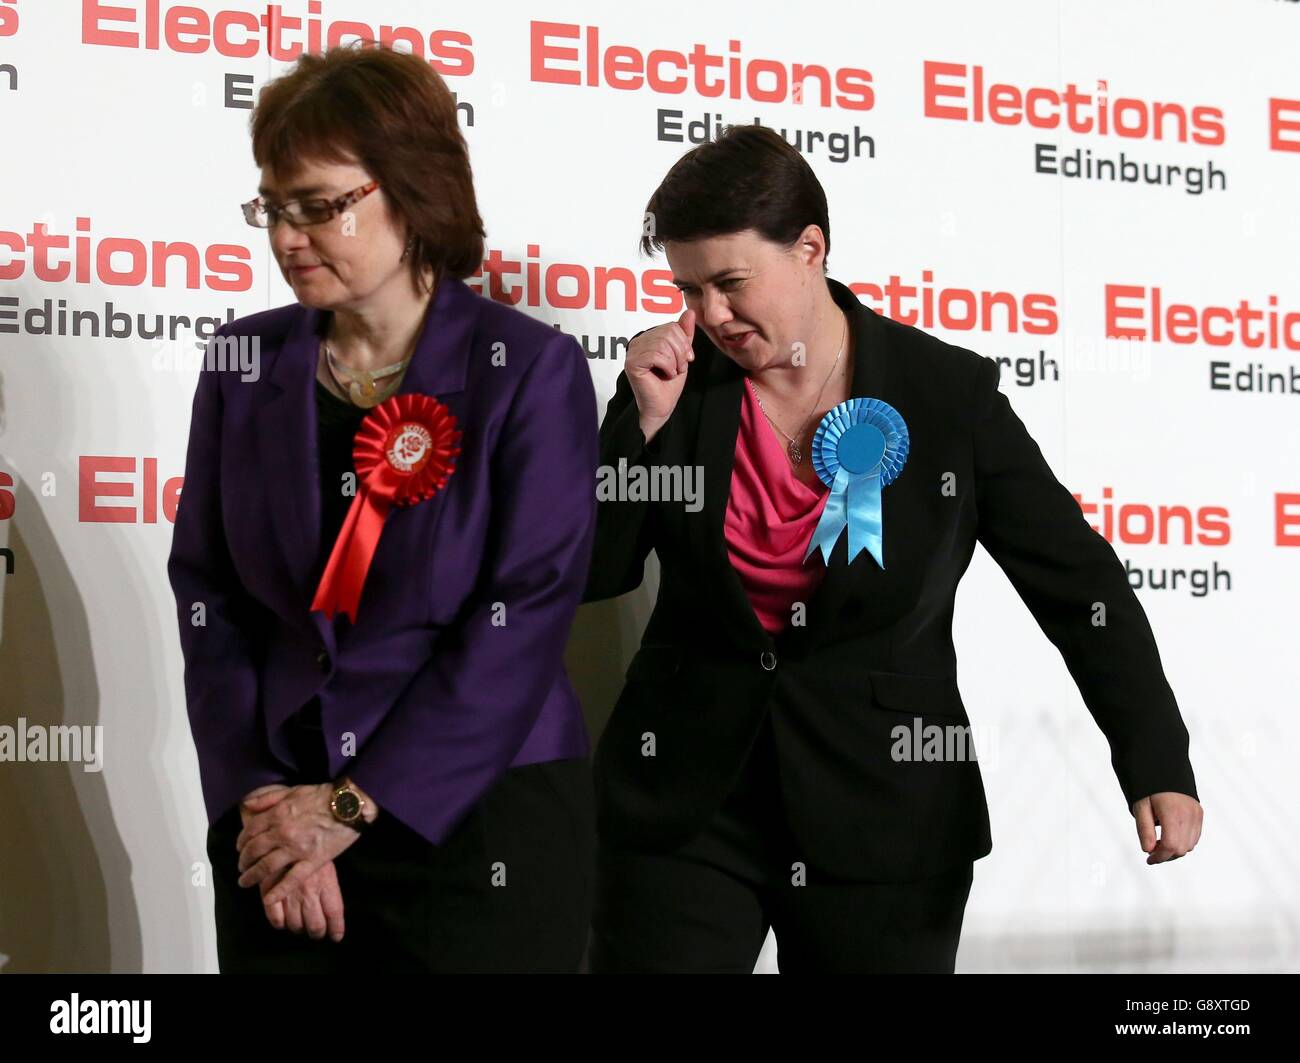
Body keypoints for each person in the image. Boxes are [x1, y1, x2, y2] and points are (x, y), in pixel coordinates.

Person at [583, 124, 1203, 973]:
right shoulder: (673, 383)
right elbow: (594, 571)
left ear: (810, 249)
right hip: (685, 806)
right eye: (688, 290)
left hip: (884, 813)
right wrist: (644, 430)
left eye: (730, 284)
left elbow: (1079, 584)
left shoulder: (948, 395)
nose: (708, 317)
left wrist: (1154, 755)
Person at [167, 42, 598, 973]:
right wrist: (257, 799)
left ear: (412, 192)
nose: (288, 236)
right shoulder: (242, 367)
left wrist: (353, 805)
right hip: (276, 839)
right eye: (274, 208)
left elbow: (524, 613)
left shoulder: (528, 370)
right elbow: (209, 596)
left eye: (320, 206)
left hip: (475, 824)